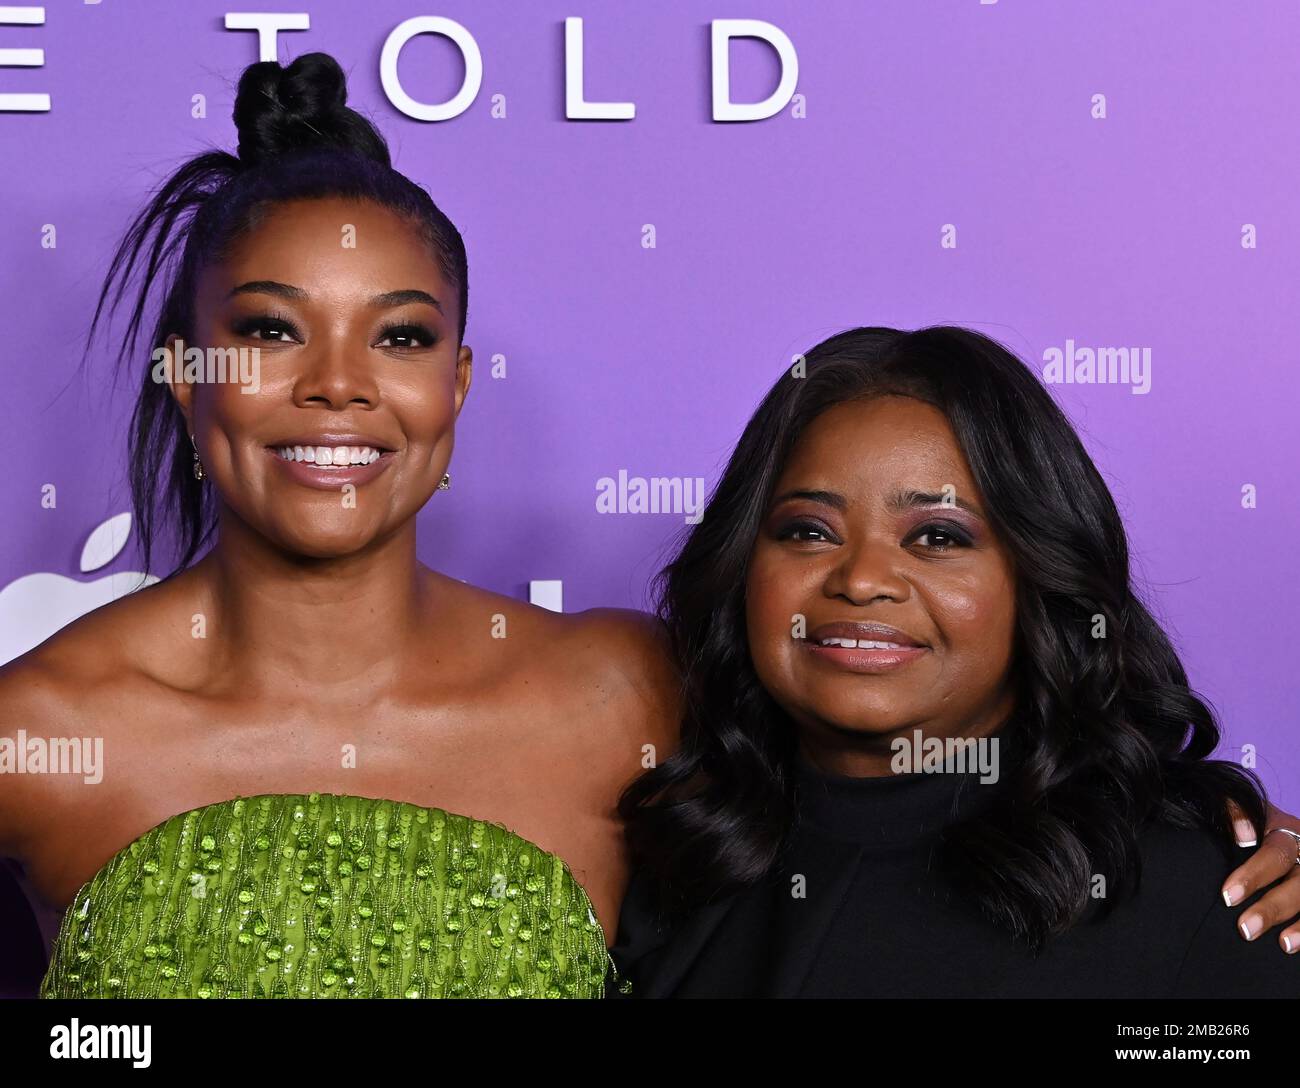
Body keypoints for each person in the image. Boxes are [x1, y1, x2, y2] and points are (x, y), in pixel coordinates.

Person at [0, 52, 675, 999]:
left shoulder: (628, 700)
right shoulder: (36, 731)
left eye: (401, 337)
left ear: (457, 386)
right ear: (187, 376)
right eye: (271, 331)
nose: (337, 385)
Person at [610, 325, 1300, 997]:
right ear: (742, 568)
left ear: (1037, 578)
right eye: (808, 530)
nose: (861, 579)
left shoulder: (1224, 893)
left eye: (937, 536)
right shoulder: (667, 867)